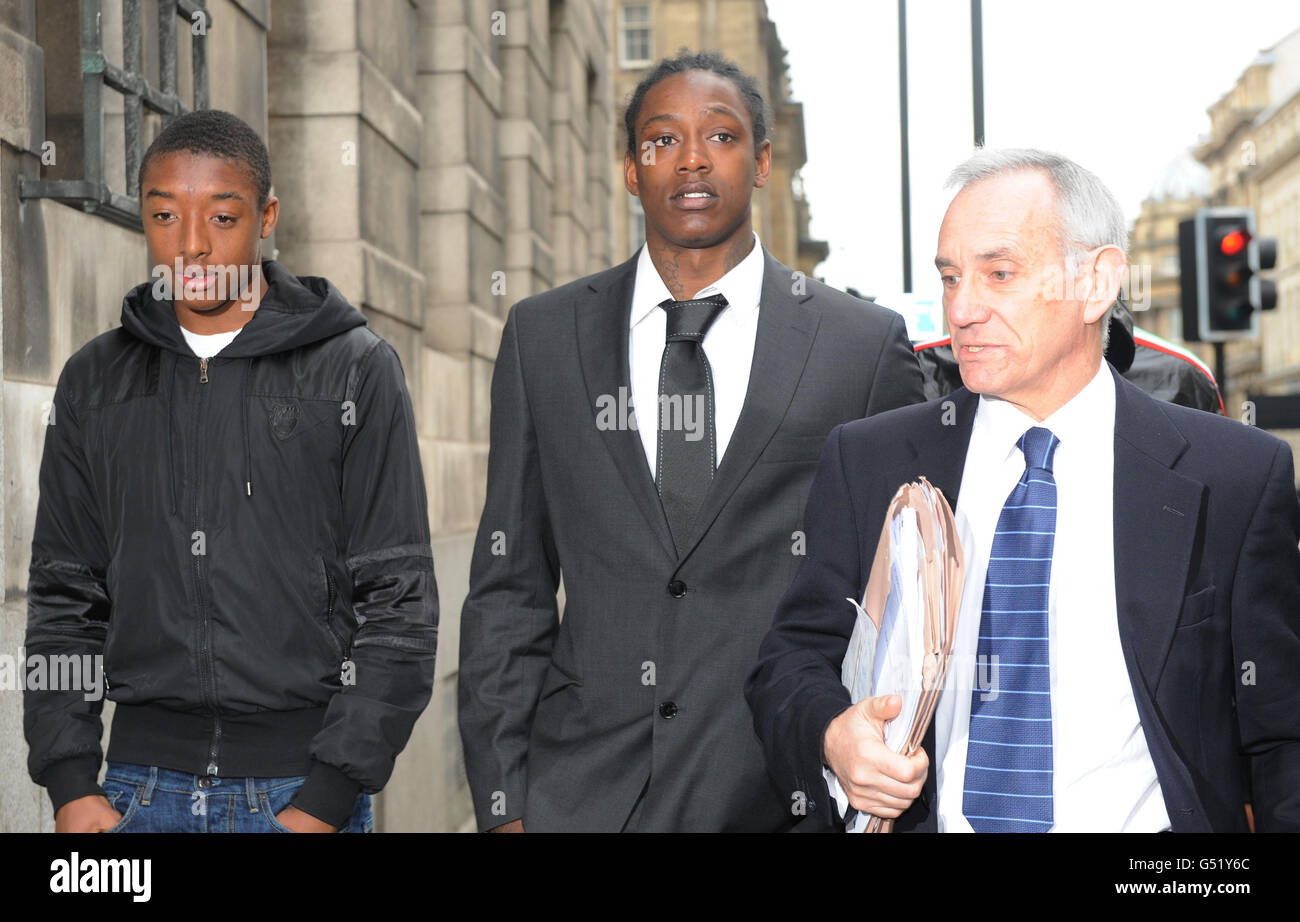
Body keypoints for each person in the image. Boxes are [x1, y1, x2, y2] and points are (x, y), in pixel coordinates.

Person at [745, 148, 1300, 832]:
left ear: (1096, 283)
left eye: (998, 273)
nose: (963, 308)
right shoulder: (870, 459)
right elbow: (791, 660)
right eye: (950, 278)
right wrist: (834, 734)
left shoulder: (1234, 476)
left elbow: (1281, 736)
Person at [457, 50, 925, 832]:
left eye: (721, 136)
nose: (692, 160)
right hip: (580, 798)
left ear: (764, 160)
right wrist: (506, 806)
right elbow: (509, 590)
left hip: (782, 796)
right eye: (662, 140)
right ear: (632, 171)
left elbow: (901, 596)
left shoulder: (862, 347)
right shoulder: (544, 337)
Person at [24, 109, 438, 833]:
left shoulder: (353, 368)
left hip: (296, 793)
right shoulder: (95, 379)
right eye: (163, 215)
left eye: (221, 217)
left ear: (266, 216)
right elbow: (65, 592)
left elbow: (400, 600)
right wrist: (68, 782)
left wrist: (329, 797)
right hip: (132, 797)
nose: (190, 245)